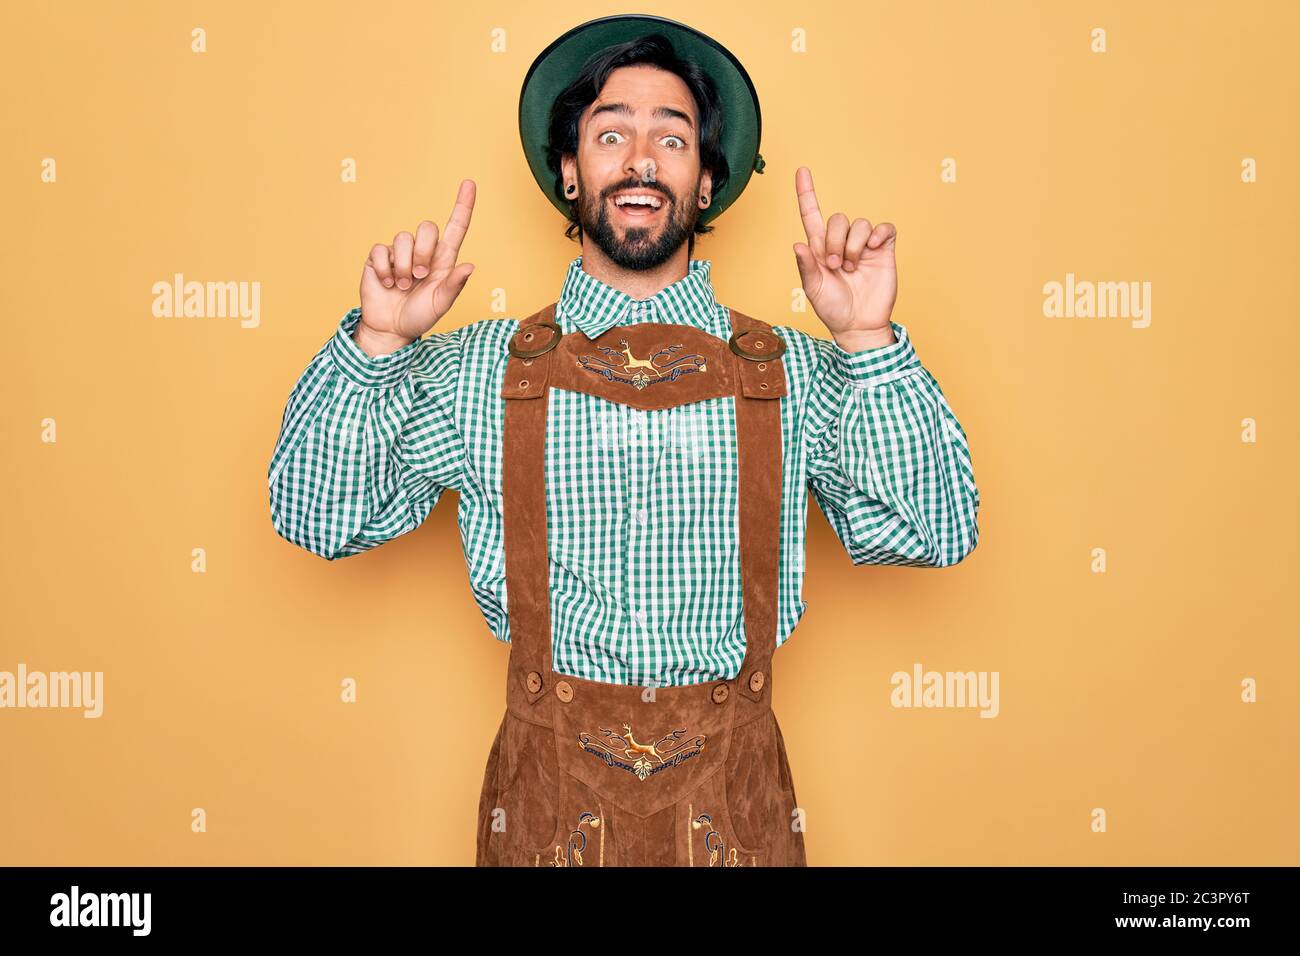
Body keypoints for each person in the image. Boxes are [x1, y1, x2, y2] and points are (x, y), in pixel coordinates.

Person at [266, 15, 979, 867]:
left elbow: (939, 531)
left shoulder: (796, 371)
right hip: (542, 816)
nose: (641, 159)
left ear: (706, 181)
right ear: (569, 172)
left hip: (736, 817)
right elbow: (315, 516)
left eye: (671, 139)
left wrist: (867, 343)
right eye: (611, 134)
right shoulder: (476, 371)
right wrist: (379, 344)